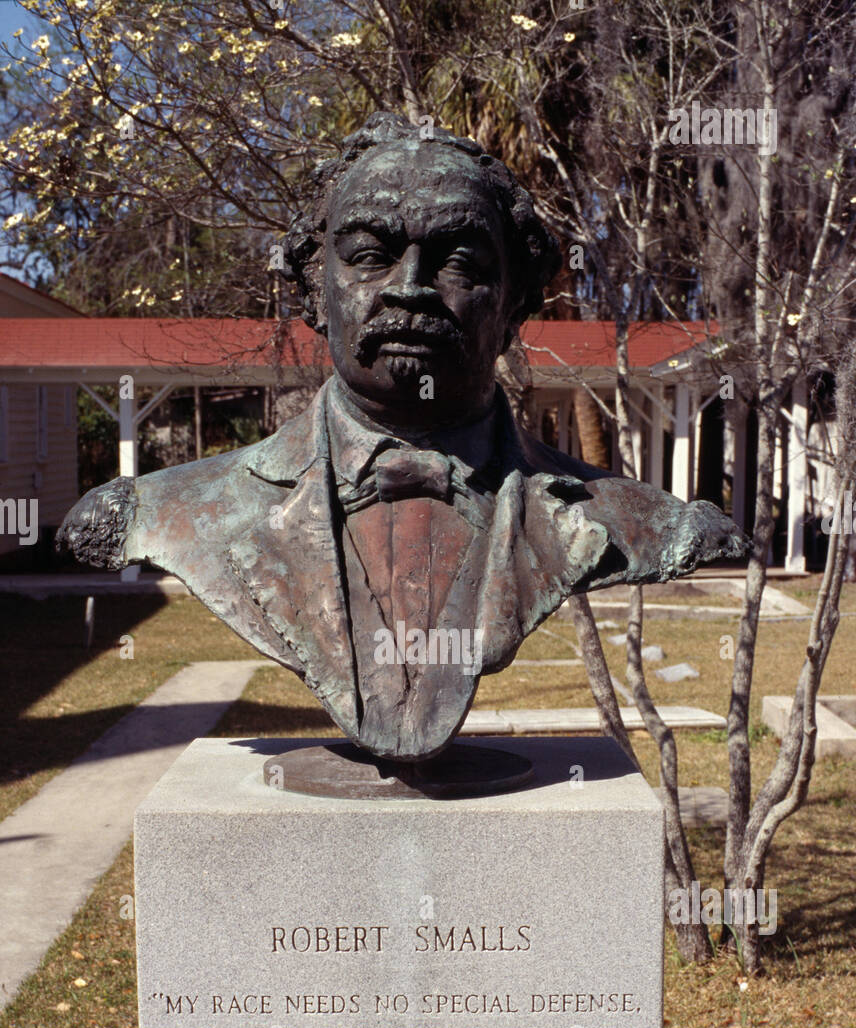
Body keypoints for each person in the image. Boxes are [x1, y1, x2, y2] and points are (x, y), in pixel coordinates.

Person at [58, 113, 747, 762]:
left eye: (459, 261)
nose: (411, 288)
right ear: (312, 291)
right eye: (370, 254)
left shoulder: (645, 523)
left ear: (514, 304)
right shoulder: (160, 511)